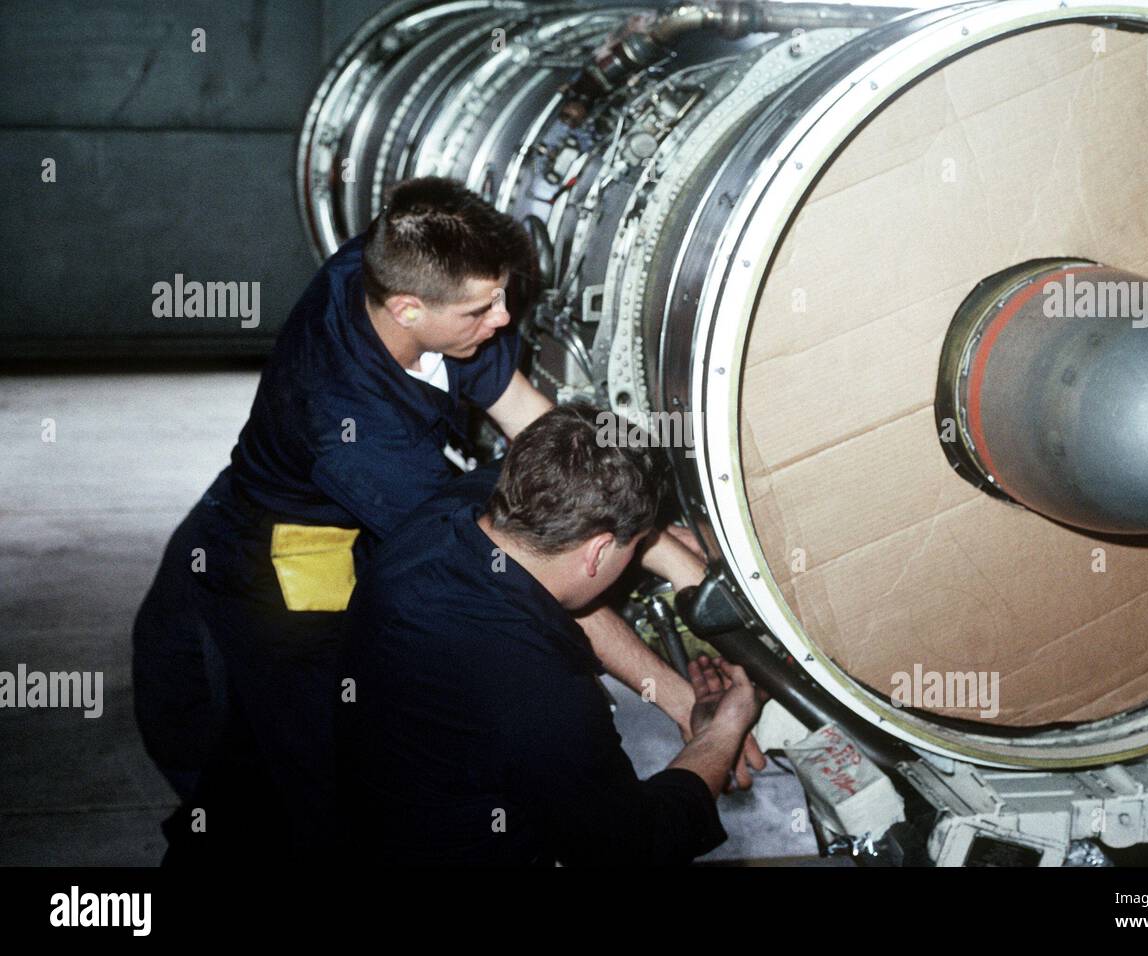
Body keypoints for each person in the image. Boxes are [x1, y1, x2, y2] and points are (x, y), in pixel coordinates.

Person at [132, 176, 719, 862]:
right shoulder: (351, 429)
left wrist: (669, 553)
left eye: (500, 296)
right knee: (323, 762)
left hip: (359, 516)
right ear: (408, 309)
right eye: (481, 309)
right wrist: (675, 696)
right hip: (288, 560)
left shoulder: (394, 259)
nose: (503, 319)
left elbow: (536, 429)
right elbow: (531, 571)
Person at [338, 404, 767, 864]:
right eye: (636, 546)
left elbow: (553, 594)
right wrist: (723, 730)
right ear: (598, 550)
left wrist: (680, 700)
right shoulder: (536, 689)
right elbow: (635, 842)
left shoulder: (450, 518)